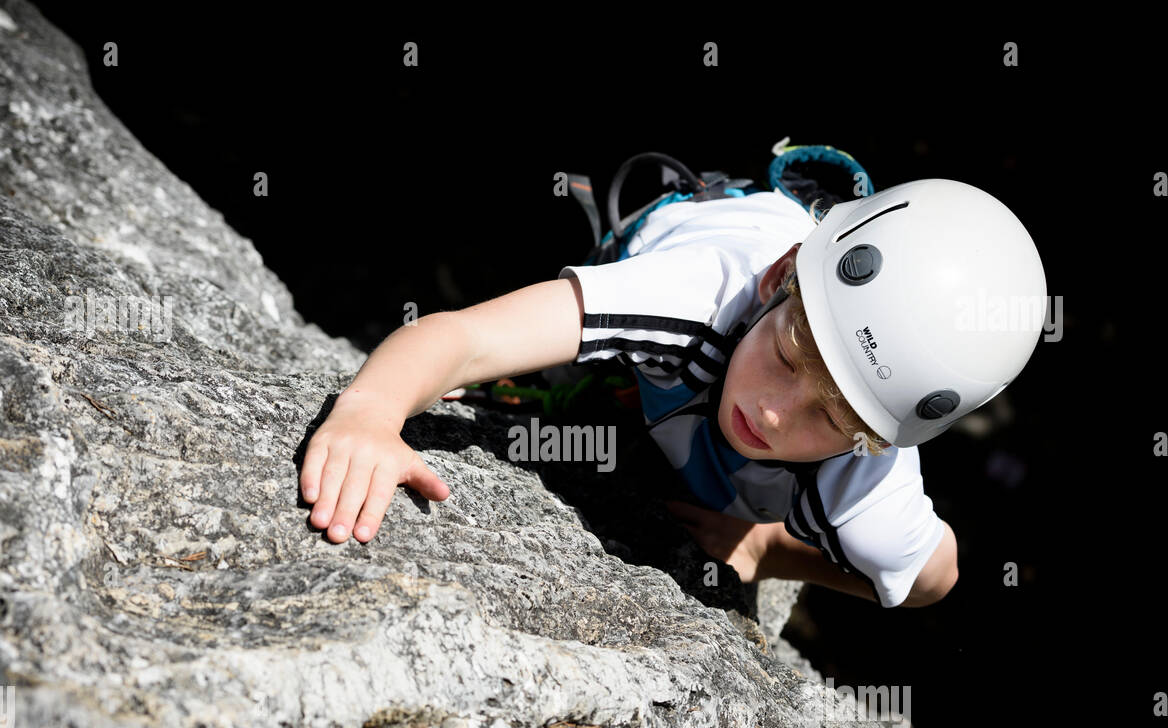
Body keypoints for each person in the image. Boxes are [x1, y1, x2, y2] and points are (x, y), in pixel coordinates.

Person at [299, 177, 1046, 608]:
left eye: (831, 415)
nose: (777, 411)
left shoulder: (864, 478)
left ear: (877, 441)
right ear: (777, 276)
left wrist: (771, 547)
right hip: (687, 240)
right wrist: (370, 410)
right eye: (787, 357)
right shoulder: (697, 293)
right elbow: (467, 339)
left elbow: (933, 576)